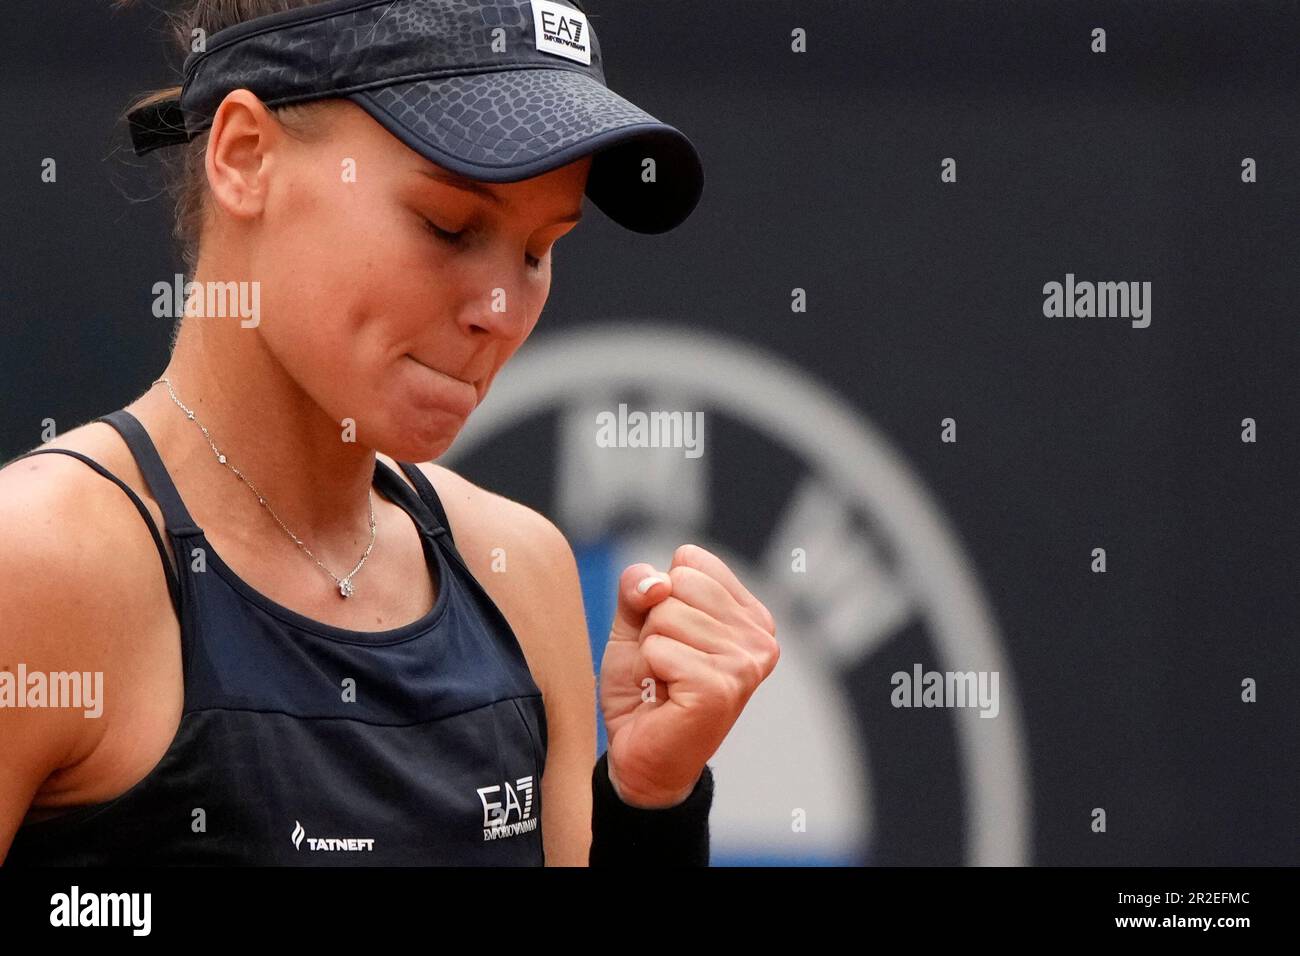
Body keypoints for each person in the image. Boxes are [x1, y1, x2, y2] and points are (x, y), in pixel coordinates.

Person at [0, 0, 779, 865]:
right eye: (449, 226)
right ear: (244, 157)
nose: (502, 312)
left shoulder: (521, 572)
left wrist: (650, 808)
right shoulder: (34, 566)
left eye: (537, 250)